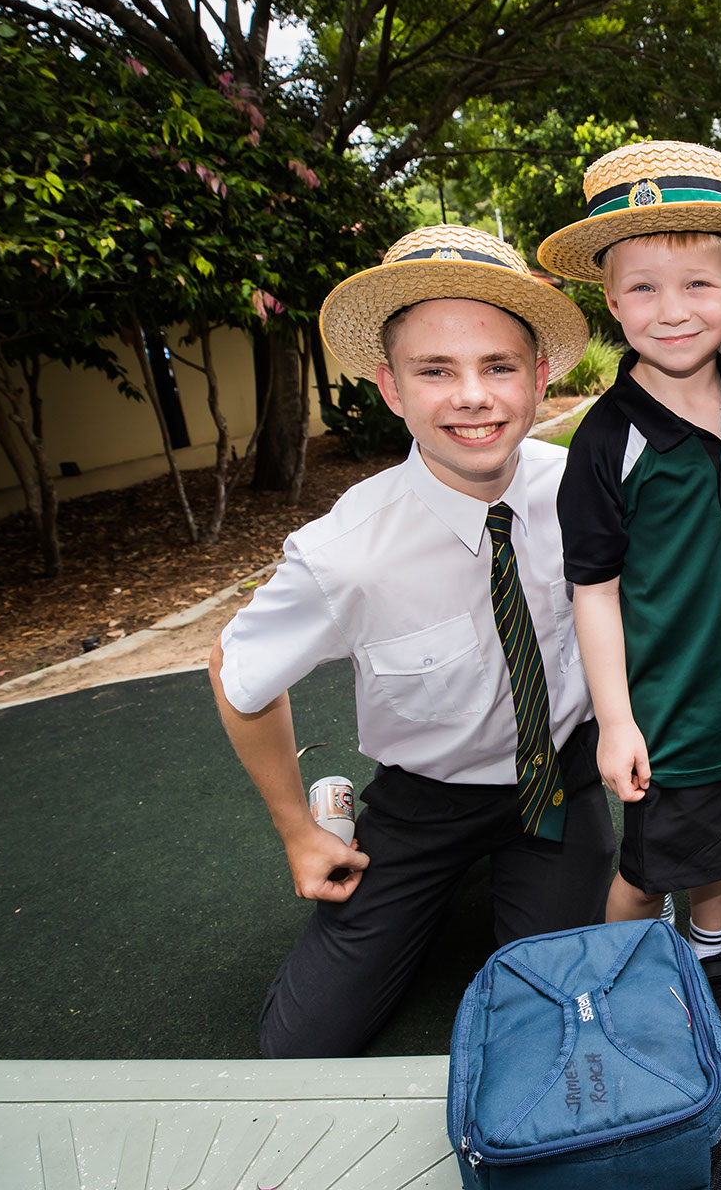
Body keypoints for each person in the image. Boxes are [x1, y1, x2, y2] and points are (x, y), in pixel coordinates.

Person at [208, 225, 614, 1058]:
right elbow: (237, 670)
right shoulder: (346, 554)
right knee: (303, 1045)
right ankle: (363, 830)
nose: (473, 396)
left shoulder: (588, 489)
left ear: (539, 379)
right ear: (391, 388)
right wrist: (296, 828)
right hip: (427, 798)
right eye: (436, 371)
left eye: (499, 366)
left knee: (557, 1024)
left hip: (562, 777)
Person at [537, 141, 721, 1042]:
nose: (673, 310)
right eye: (643, 287)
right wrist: (616, 718)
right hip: (671, 719)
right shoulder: (606, 441)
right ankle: (621, 971)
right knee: (650, 866)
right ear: (610, 301)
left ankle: (708, 951)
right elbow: (594, 591)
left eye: (698, 284)